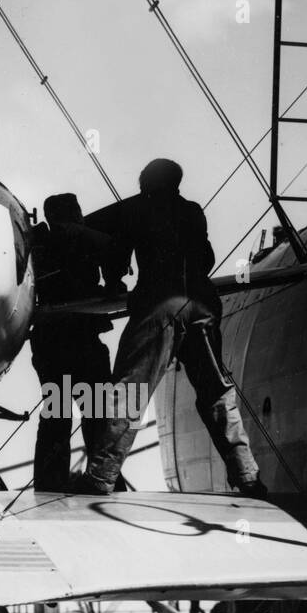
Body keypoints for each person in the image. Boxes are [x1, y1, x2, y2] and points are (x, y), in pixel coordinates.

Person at [75, 159, 265, 497]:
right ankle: (248, 476)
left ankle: (101, 476)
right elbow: (206, 257)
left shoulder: (137, 208)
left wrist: (115, 279)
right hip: (204, 305)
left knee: (129, 391)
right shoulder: (193, 211)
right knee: (216, 393)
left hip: (159, 306)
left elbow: (109, 246)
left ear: (146, 182)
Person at [29, 193, 123, 492]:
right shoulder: (88, 237)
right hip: (83, 339)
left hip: (50, 341)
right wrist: (111, 284)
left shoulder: (39, 241)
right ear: (75, 212)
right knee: (96, 413)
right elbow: (113, 254)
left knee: (56, 414)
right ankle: (103, 479)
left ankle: (49, 483)